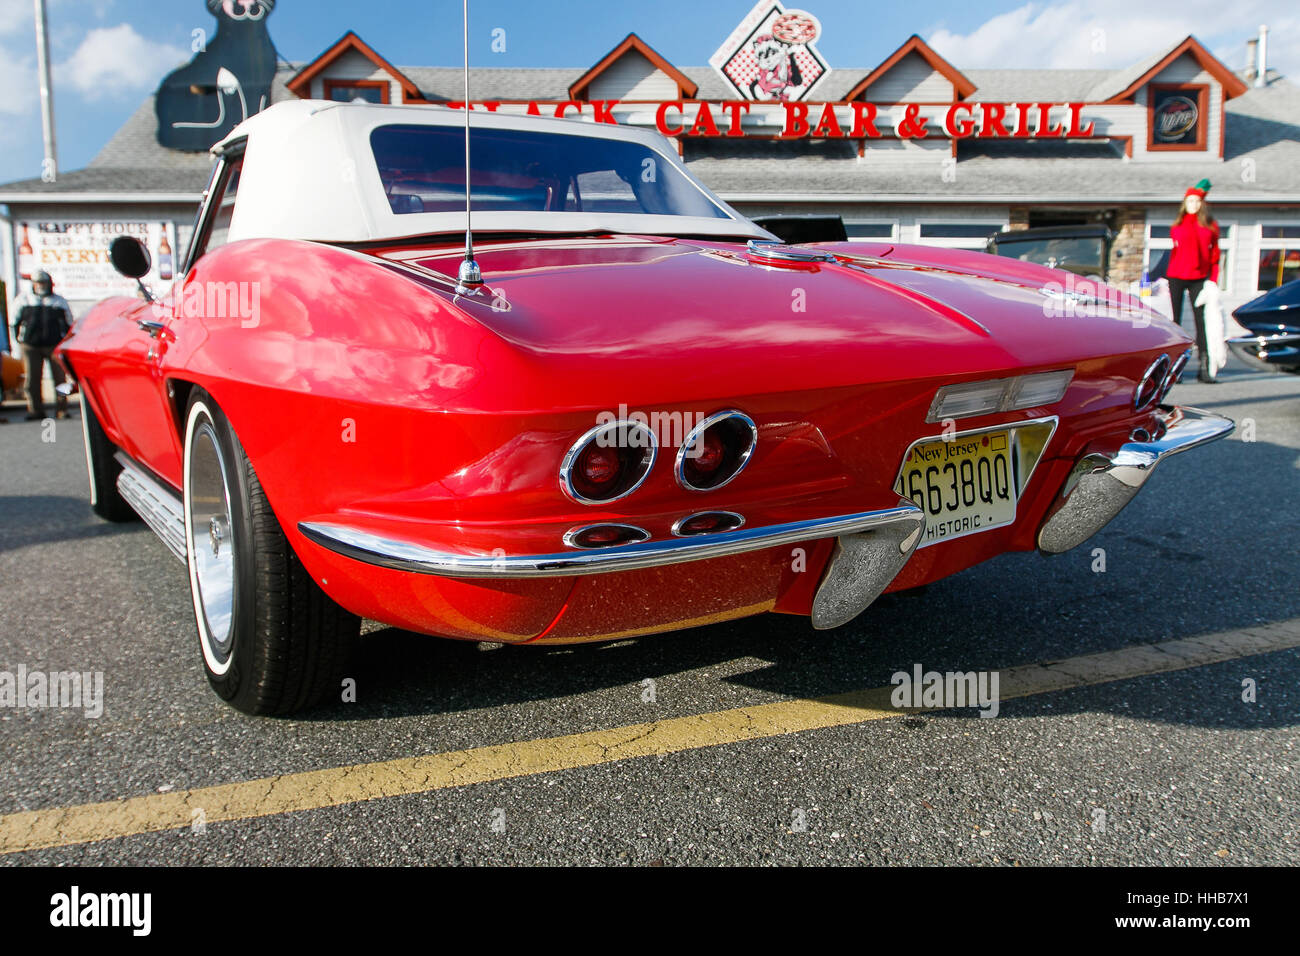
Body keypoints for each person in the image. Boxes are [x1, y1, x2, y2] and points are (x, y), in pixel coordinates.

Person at [1166, 178, 1221, 383]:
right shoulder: (1178, 225)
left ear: (1202, 203)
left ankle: (1205, 367)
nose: (1193, 205)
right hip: (1177, 276)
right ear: (1185, 203)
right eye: (1190, 201)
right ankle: (1174, 370)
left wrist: (1213, 280)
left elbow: (1215, 256)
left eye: (1197, 201)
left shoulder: (1210, 226)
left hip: (1199, 278)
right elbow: (1176, 251)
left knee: (1201, 322)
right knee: (1175, 322)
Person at [11, 270, 73, 420]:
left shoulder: (58, 301)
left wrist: (65, 342)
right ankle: (35, 410)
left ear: (49, 284)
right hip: (31, 345)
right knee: (32, 378)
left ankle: (61, 409)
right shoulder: (24, 300)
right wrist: (19, 341)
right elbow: (14, 322)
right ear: (33, 284)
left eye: (43, 283)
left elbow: (69, 323)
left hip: (54, 345)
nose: (41, 286)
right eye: (38, 283)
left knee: (60, 378)